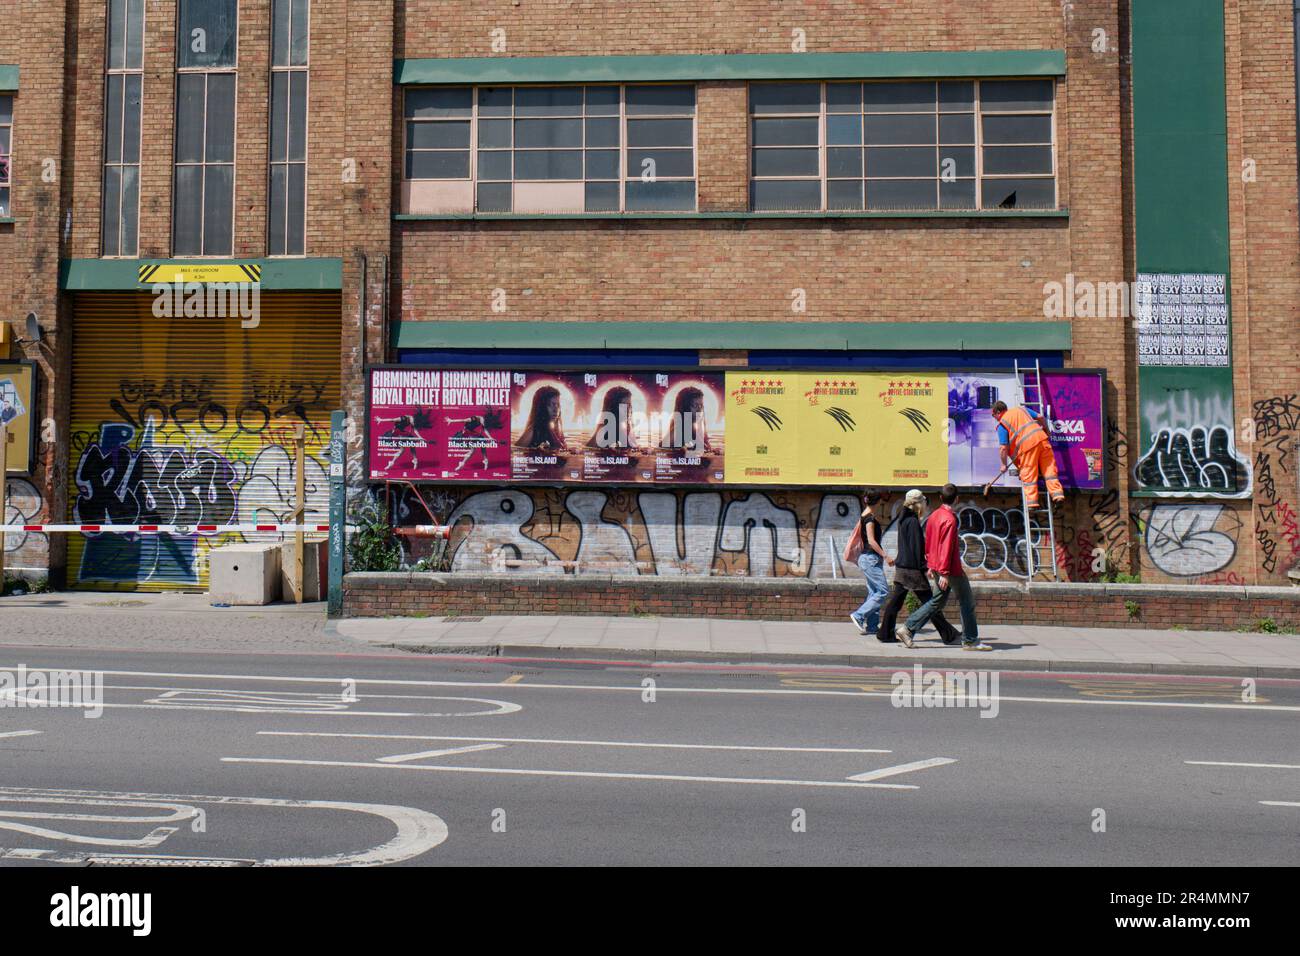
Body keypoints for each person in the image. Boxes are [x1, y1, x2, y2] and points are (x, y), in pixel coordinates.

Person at [896, 483, 992, 651]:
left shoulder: (933, 516)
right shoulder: (950, 519)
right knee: (967, 602)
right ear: (957, 499)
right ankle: (970, 640)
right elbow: (947, 547)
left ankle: (908, 629)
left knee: (936, 602)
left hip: (937, 566)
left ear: (941, 498)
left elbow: (929, 543)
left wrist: (932, 566)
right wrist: (945, 573)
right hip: (950, 569)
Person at [877, 489, 961, 646]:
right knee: (932, 604)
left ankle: (885, 633)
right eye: (923, 502)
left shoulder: (903, 519)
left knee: (896, 603)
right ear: (917, 504)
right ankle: (948, 635)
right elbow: (917, 549)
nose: (925, 505)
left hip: (903, 567)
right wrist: (926, 567)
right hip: (913, 571)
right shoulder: (913, 522)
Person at [984, 400, 1064, 509]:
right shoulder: (1021, 409)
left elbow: (1003, 448)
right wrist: (1047, 431)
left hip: (1028, 447)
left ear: (998, 412)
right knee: (1050, 471)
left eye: (993, 415)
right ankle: (1057, 495)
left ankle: (1032, 503)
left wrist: (1003, 464)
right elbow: (1040, 417)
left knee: (1028, 474)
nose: (994, 417)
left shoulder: (1002, 424)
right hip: (1042, 440)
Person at [847, 489, 892, 636]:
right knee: (883, 591)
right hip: (870, 558)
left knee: (874, 592)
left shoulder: (864, 515)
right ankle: (859, 615)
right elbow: (871, 541)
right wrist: (885, 556)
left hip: (869, 558)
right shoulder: (870, 519)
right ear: (878, 501)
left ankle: (872, 626)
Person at [516, 386, 567, 450]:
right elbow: (515, 450)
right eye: (551, 404)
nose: (556, 409)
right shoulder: (533, 430)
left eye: (558, 405)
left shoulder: (556, 430)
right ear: (541, 407)